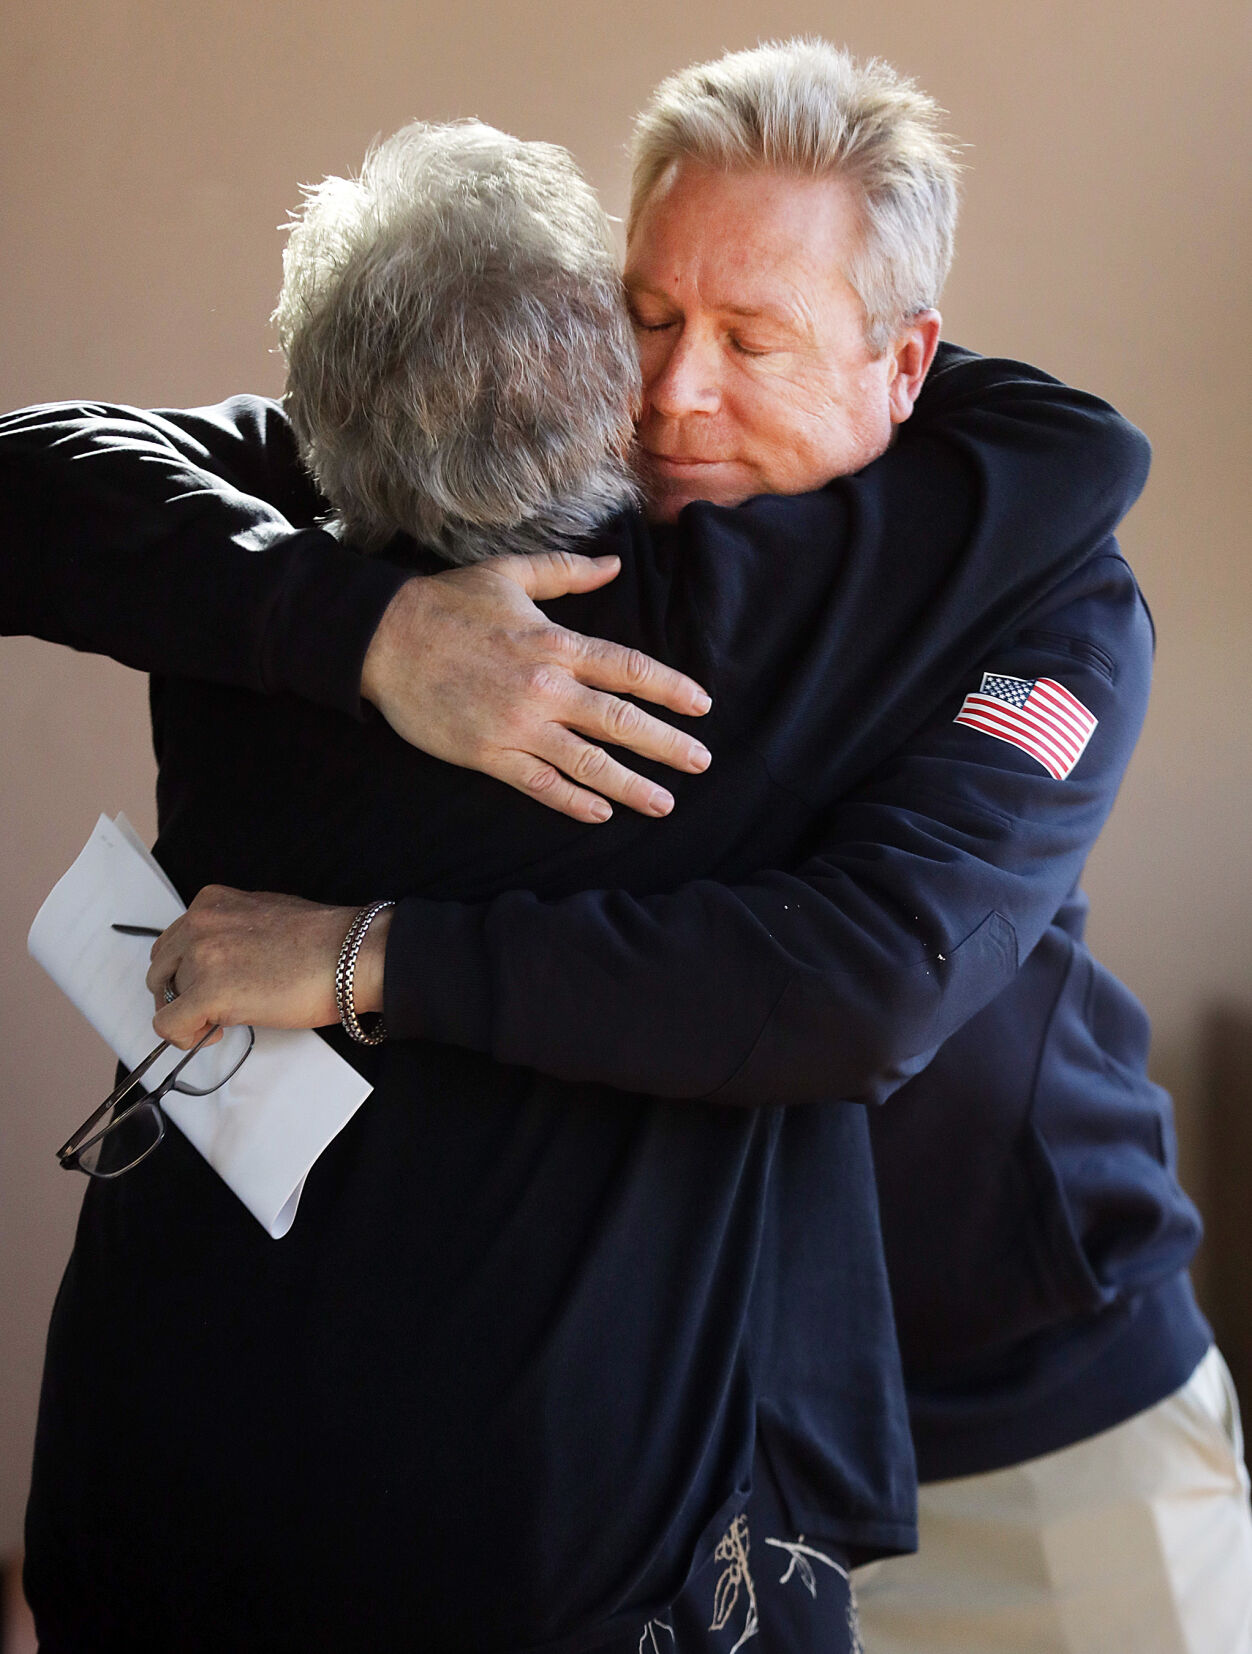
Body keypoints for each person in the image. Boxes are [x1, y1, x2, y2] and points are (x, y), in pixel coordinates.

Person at [5, 40, 1244, 1654]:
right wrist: (371, 630)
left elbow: (868, 976)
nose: (675, 394)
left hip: (1024, 1408)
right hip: (724, 1460)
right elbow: (49, 470)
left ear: (905, 363)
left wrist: (367, 951)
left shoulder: (1033, 590)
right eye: (649, 314)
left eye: (753, 335)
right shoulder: (533, 518)